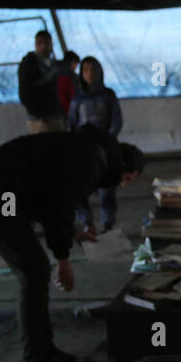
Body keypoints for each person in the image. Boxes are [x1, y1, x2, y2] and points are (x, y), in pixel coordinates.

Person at [0, 126, 144, 362]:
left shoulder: (90, 151)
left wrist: (72, 233)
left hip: (6, 190)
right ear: (125, 169)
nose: (122, 185)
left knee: (35, 270)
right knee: (34, 273)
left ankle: (46, 353)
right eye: (128, 180)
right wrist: (63, 260)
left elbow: (48, 194)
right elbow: (58, 206)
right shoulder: (92, 160)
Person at [68, 56, 124, 231]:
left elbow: (116, 121)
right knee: (80, 188)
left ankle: (108, 224)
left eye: (93, 69)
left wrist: (107, 141)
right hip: (83, 150)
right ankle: (87, 223)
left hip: (106, 149)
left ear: (99, 71)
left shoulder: (108, 95)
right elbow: (72, 124)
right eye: (85, 70)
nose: (89, 73)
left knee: (107, 188)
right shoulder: (77, 98)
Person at [17, 29, 64, 133]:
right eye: (40, 43)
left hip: (56, 117)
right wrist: (39, 114)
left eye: (46, 43)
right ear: (35, 45)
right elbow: (24, 94)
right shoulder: (27, 66)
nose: (43, 46)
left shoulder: (56, 66)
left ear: (51, 45)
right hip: (38, 120)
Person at [55, 50, 80, 118]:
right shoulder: (73, 77)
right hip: (67, 111)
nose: (75, 68)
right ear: (72, 63)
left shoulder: (51, 71)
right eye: (76, 65)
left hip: (51, 112)